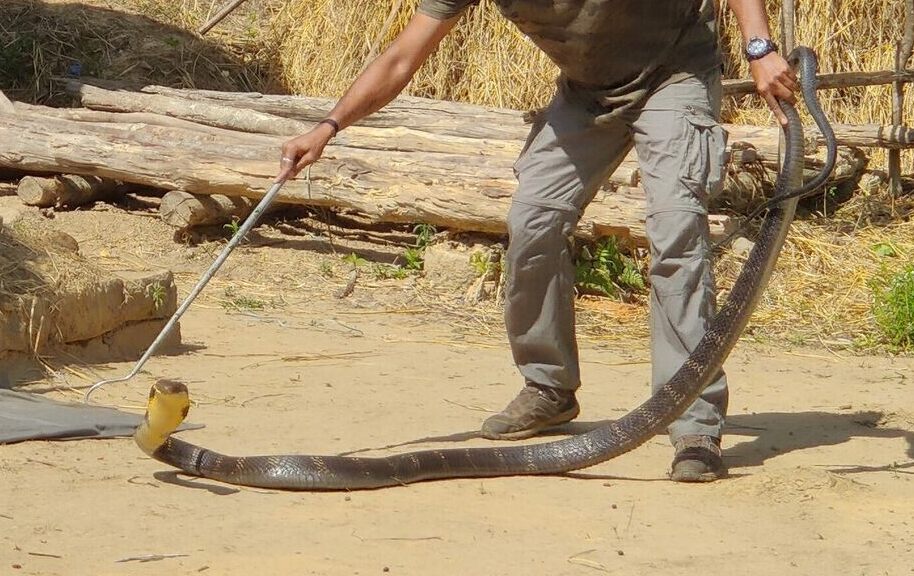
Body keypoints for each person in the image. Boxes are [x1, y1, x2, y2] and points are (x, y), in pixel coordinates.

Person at [276, 0, 797, 482]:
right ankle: (549, 387)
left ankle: (692, 423)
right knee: (533, 221)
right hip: (588, 92)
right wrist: (327, 128)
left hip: (674, 72)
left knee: (675, 234)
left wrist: (759, 47)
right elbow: (400, 59)